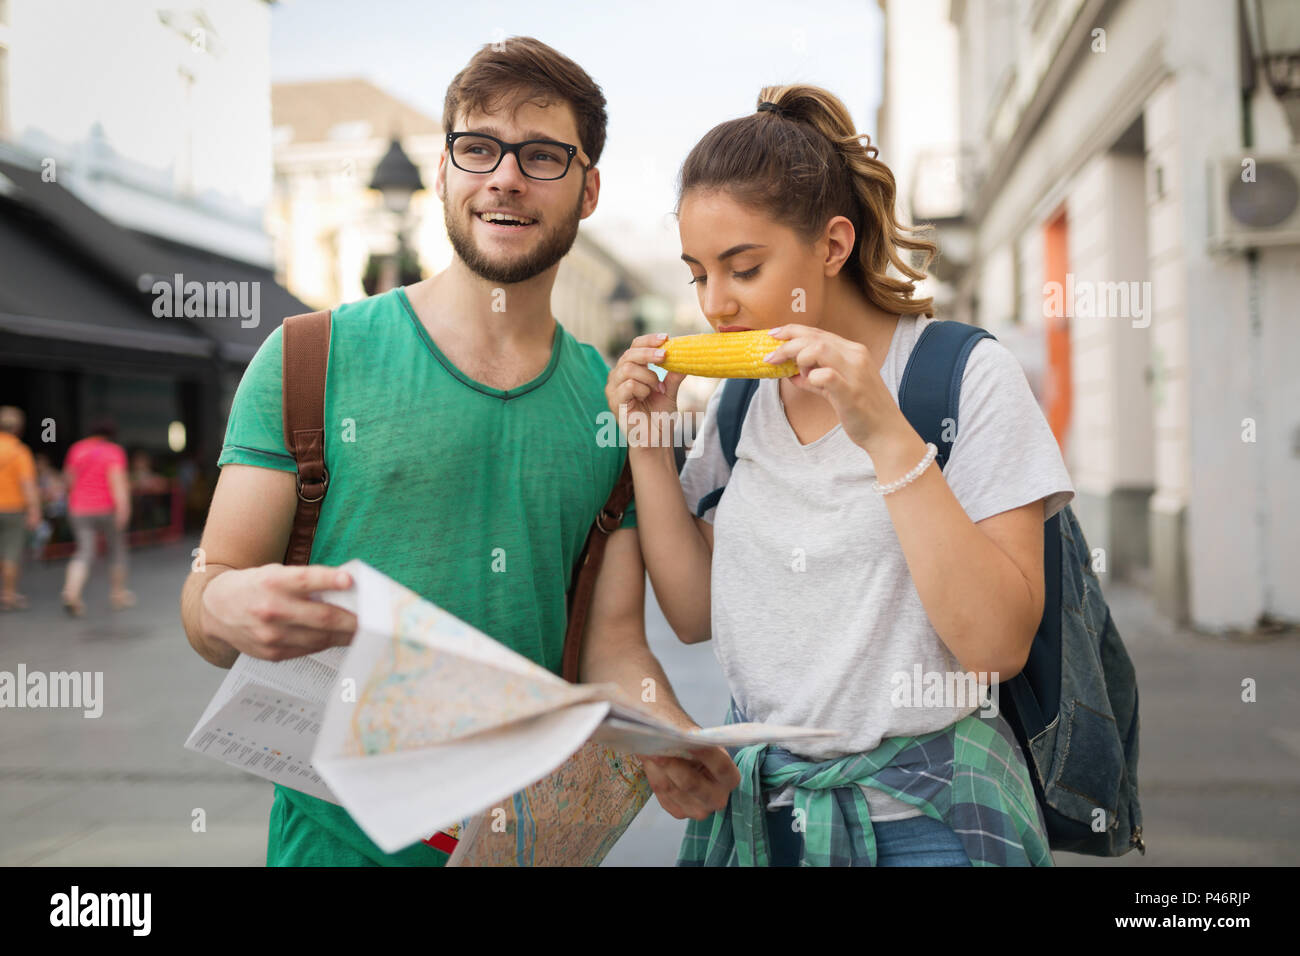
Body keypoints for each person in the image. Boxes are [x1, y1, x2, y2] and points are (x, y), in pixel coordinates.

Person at [179, 36, 741, 867]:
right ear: (443, 173)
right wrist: (226, 607)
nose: (505, 176)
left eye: (542, 156)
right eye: (477, 148)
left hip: (522, 846)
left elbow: (612, 647)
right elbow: (209, 599)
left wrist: (672, 733)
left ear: (588, 191)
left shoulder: (612, 406)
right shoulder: (308, 360)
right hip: (332, 845)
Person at [607, 84, 1075, 866]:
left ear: (831, 246)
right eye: (697, 275)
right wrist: (648, 442)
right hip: (769, 817)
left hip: (933, 826)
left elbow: (997, 646)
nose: (716, 306)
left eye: (743, 268)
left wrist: (887, 435)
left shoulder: (962, 376)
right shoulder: (737, 404)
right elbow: (692, 614)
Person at [61, 418, 134, 615]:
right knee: (116, 550)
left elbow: (68, 479)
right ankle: (118, 594)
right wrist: (124, 508)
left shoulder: (77, 449)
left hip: (79, 508)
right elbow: (117, 482)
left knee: (84, 551)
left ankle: (71, 593)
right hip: (106, 508)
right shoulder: (113, 451)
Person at [0, 406, 41, 611]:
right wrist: (35, 510)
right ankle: (8, 595)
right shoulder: (20, 451)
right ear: (18, 428)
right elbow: (27, 484)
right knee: (10, 553)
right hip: (12, 509)